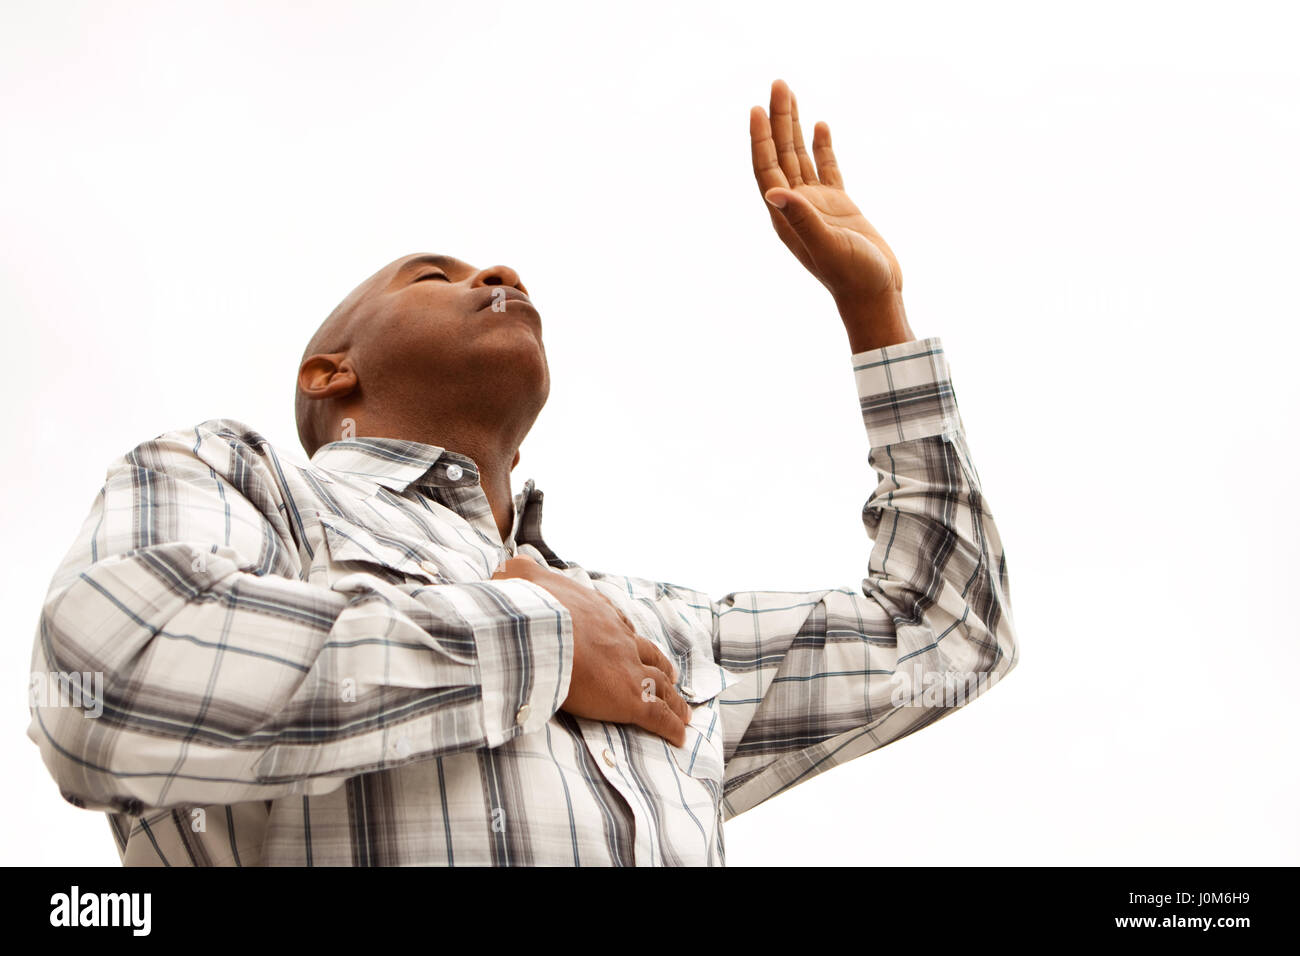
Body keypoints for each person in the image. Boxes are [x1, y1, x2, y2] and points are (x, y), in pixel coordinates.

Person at [27, 79, 1019, 866]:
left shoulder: (659, 635)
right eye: (435, 274)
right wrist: (533, 639)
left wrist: (875, 316)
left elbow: (946, 629)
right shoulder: (245, 485)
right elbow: (108, 678)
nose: (496, 272)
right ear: (331, 373)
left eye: (494, 270)